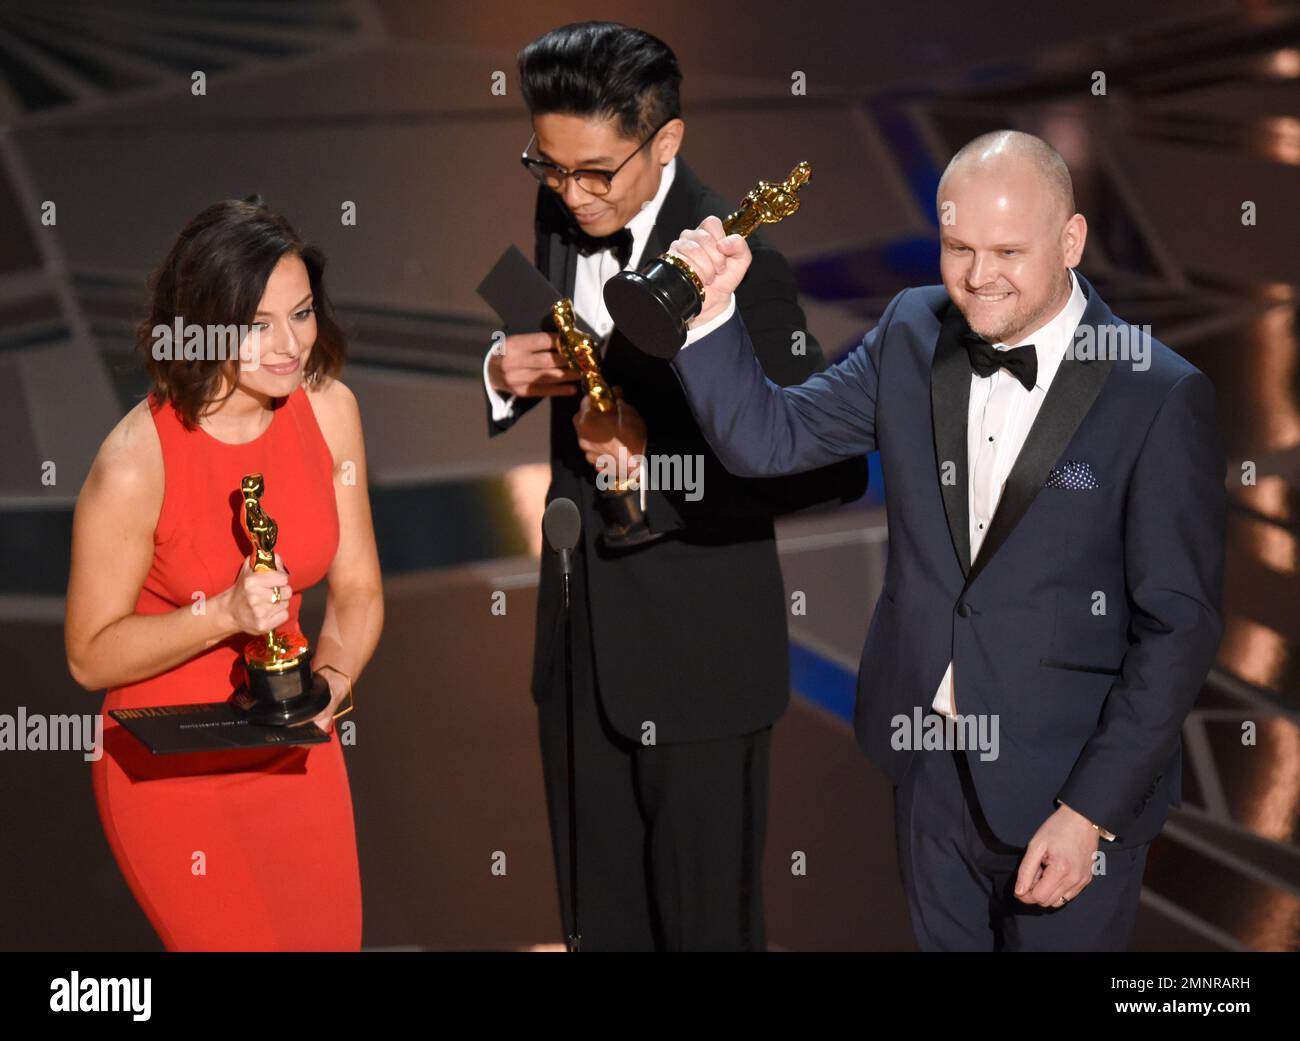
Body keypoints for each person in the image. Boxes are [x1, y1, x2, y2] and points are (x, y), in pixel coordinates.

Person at [658, 130, 1225, 951]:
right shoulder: (911, 329)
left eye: (1007, 251)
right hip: (931, 771)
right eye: (959, 247)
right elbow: (770, 441)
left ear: (1071, 242)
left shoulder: (1159, 392)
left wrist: (1088, 813)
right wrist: (712, 316)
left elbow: (1180, 627)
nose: (979, 276)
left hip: (1070, 789)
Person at [485, 22, 867, 951]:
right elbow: (552, 331)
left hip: (699, 671)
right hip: (575, 655)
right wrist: (502, 371)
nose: (570, 196)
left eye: (596, 174)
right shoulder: (564, 213)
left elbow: (826, 467)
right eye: (549, 165)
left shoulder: (750, 275)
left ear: (668, 144)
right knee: (597, 930)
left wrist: (655, 471)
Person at [65, 198, 383, 951]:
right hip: (169, 763)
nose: (289, 346)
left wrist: (333, 682)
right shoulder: (134, 461)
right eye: (257, 324)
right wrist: (223, 614)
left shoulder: (331, 410)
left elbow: (360, 590)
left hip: (294, 746)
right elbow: (88, 655)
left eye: (301, 314)